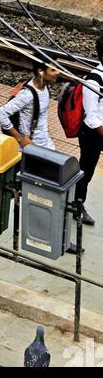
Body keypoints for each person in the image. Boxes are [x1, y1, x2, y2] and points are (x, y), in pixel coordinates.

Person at [73, 32, 103, 233]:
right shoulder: (93, 81)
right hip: (93, 133)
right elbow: (91, 118)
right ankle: (76, 204)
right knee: (86, 169)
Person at [0, 62, 58, 152]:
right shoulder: (27, 95)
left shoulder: (44, 86)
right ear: (41, 72)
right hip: (31, 146)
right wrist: (20, 139)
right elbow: (1, 114)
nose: (58, 72)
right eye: (53, 70)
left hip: (44, 141)